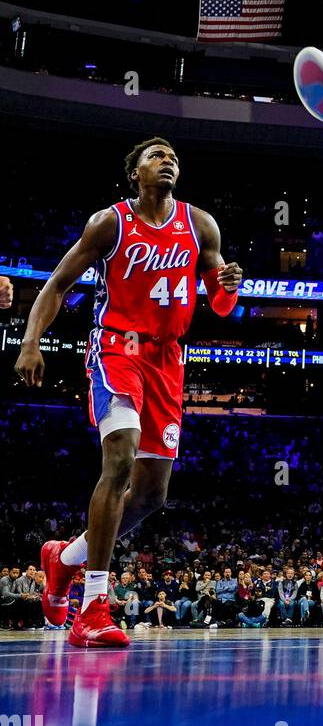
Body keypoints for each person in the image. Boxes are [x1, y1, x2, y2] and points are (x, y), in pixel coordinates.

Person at [13, 136, 241, 649]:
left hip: (168, 360)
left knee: (151, 497)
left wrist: (228, 284)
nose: (169, 161)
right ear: (134, 172)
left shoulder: (201, 225)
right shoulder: (110, 222)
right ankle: (92, 607)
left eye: (174, 157)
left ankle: (63, 559)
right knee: (118, 458)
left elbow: (221, 307)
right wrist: (31, 342)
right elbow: (56, 285)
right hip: (117, 347)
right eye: (156, 156)